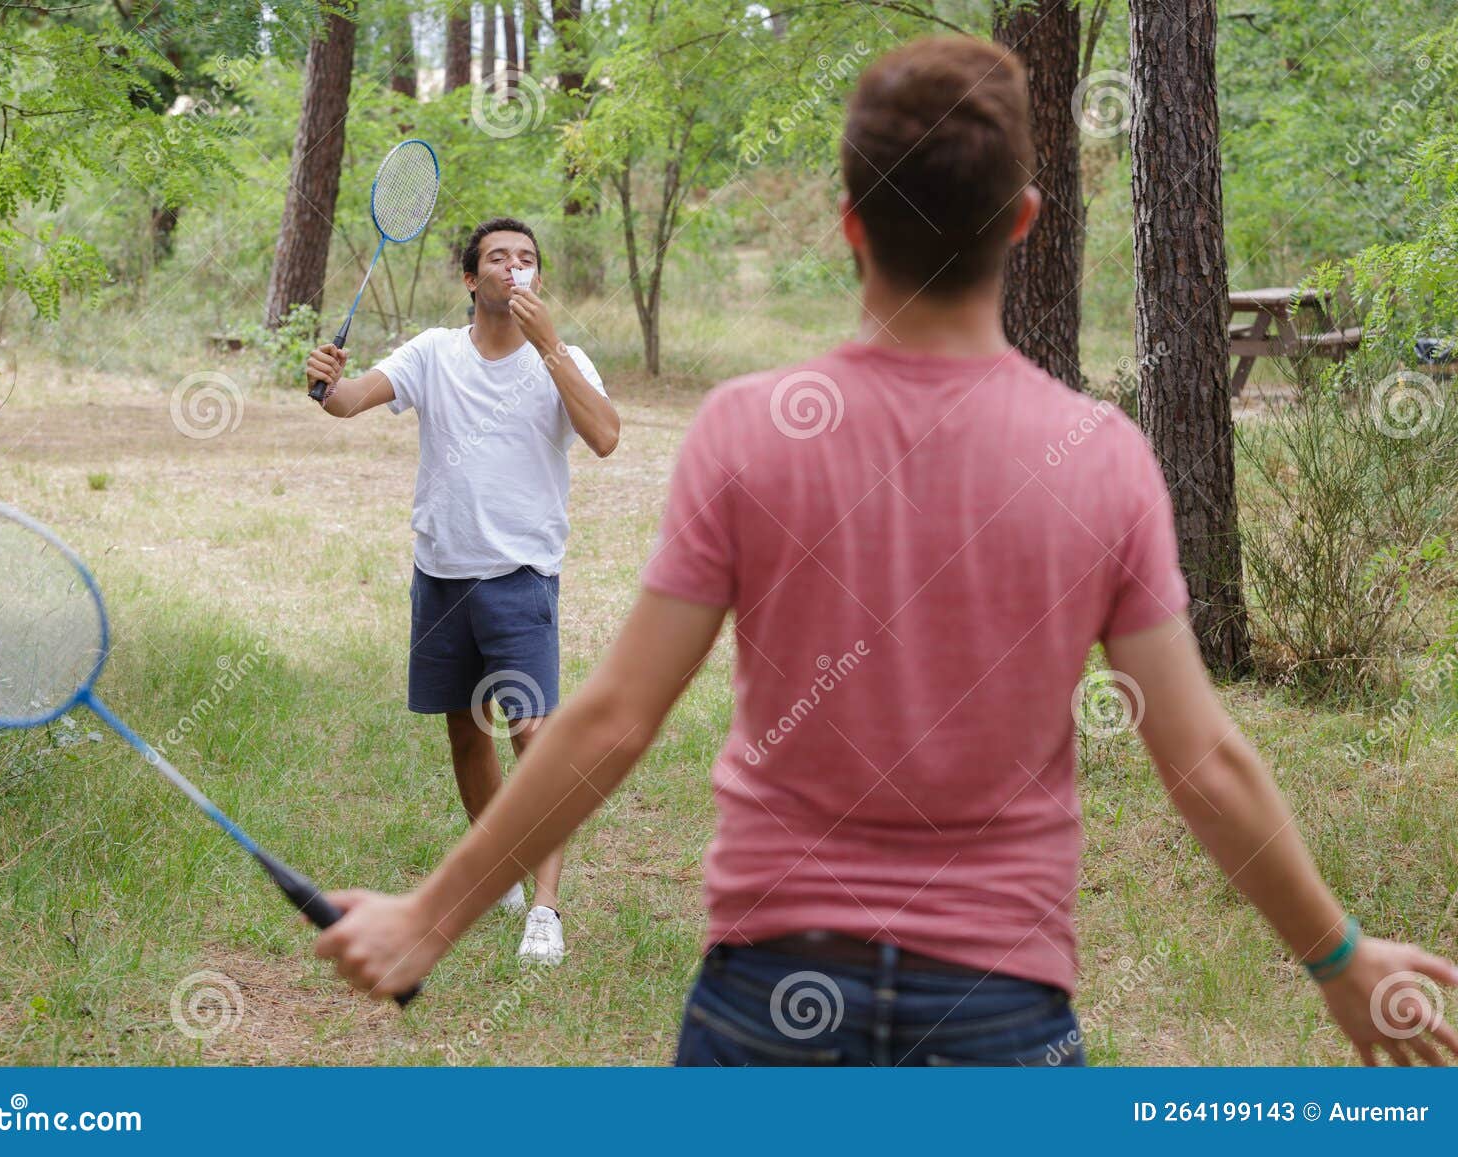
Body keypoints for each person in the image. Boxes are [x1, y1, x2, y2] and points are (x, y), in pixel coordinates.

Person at [313, 38, 1458, 1065]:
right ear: (1023, 218)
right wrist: (1337, 957)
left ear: (849, 222)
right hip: (1002, 1006)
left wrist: (428, 915)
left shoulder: (750, 430)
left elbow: (609, 720)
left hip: (766, 994)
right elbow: (1202, 758)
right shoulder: (1098, 453)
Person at [303, 217, 619, 965]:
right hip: (441, 577)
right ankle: (500, 870)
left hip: (521, 578)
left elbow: (605, 436)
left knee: (536, 742)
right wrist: (322, 381)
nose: (516, 268)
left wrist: (549, 348)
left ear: (537, 283)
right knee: (466, 733)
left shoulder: (564, 358)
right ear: (472, 281)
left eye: (529, 260)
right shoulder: (434, 354)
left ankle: (546, 910)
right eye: (499, 259)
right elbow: (348, 401)